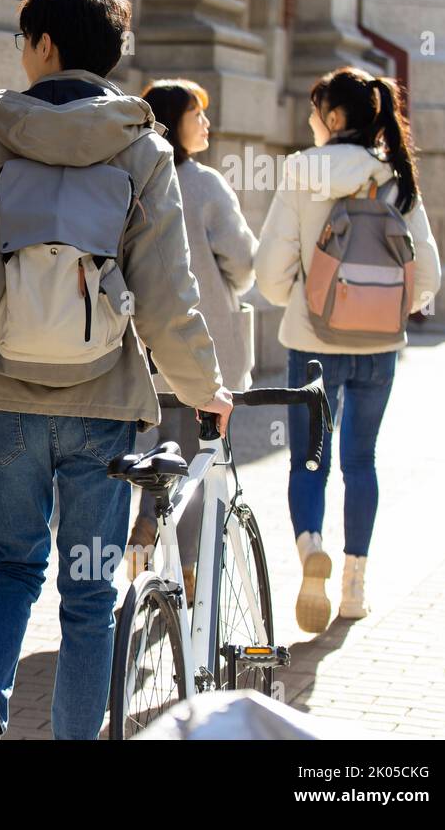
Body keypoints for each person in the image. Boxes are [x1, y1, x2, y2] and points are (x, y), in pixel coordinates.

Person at [0, 0, 232, 740]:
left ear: (46, 45)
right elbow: (166, 294)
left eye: (24, 39)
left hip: (8, 399)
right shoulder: (142, 148)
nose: (20, 53)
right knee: (90, 593)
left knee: (12, 567)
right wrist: (205, 388)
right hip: (101, 402)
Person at [255, 66, 440, 633]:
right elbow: (426, 276)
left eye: (315, 111)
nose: (311, 122)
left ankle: (312, 546)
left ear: (333, 118)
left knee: (311, 458)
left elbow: (268, 272)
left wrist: (301, 295)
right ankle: (355, 585)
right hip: (379, 345)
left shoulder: (302, 171)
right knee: (362, 460)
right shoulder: (396, 176)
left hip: (312, 340)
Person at [125, 80, 259, 600]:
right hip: (203, 353)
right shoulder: (204, 184)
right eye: (195, 113)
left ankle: (140, 545)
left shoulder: (132, 176)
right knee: (199, 465)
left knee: (159, 455)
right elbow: (243, 263)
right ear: (172, 121)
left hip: (143, 348)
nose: (205, 122)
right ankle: (190, 573)